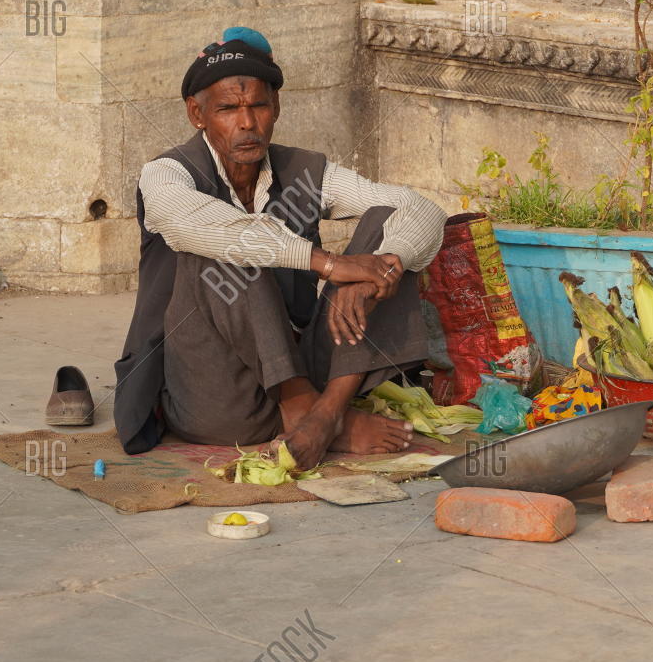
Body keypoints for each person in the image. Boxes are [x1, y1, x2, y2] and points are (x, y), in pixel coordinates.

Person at [113, 27, 448, 465]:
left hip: (308, 361)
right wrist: (329, 264)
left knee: (390, 227)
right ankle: (307, 411)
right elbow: (199, 225)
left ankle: (324, 415)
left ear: (276, 107)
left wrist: (381, 269)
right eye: (228, 109)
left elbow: (420, 208)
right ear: (197, 114)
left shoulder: (304, 169)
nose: (247, 123)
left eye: (258, 106)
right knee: (226, 246)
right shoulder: (165, 173)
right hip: (216, 392)